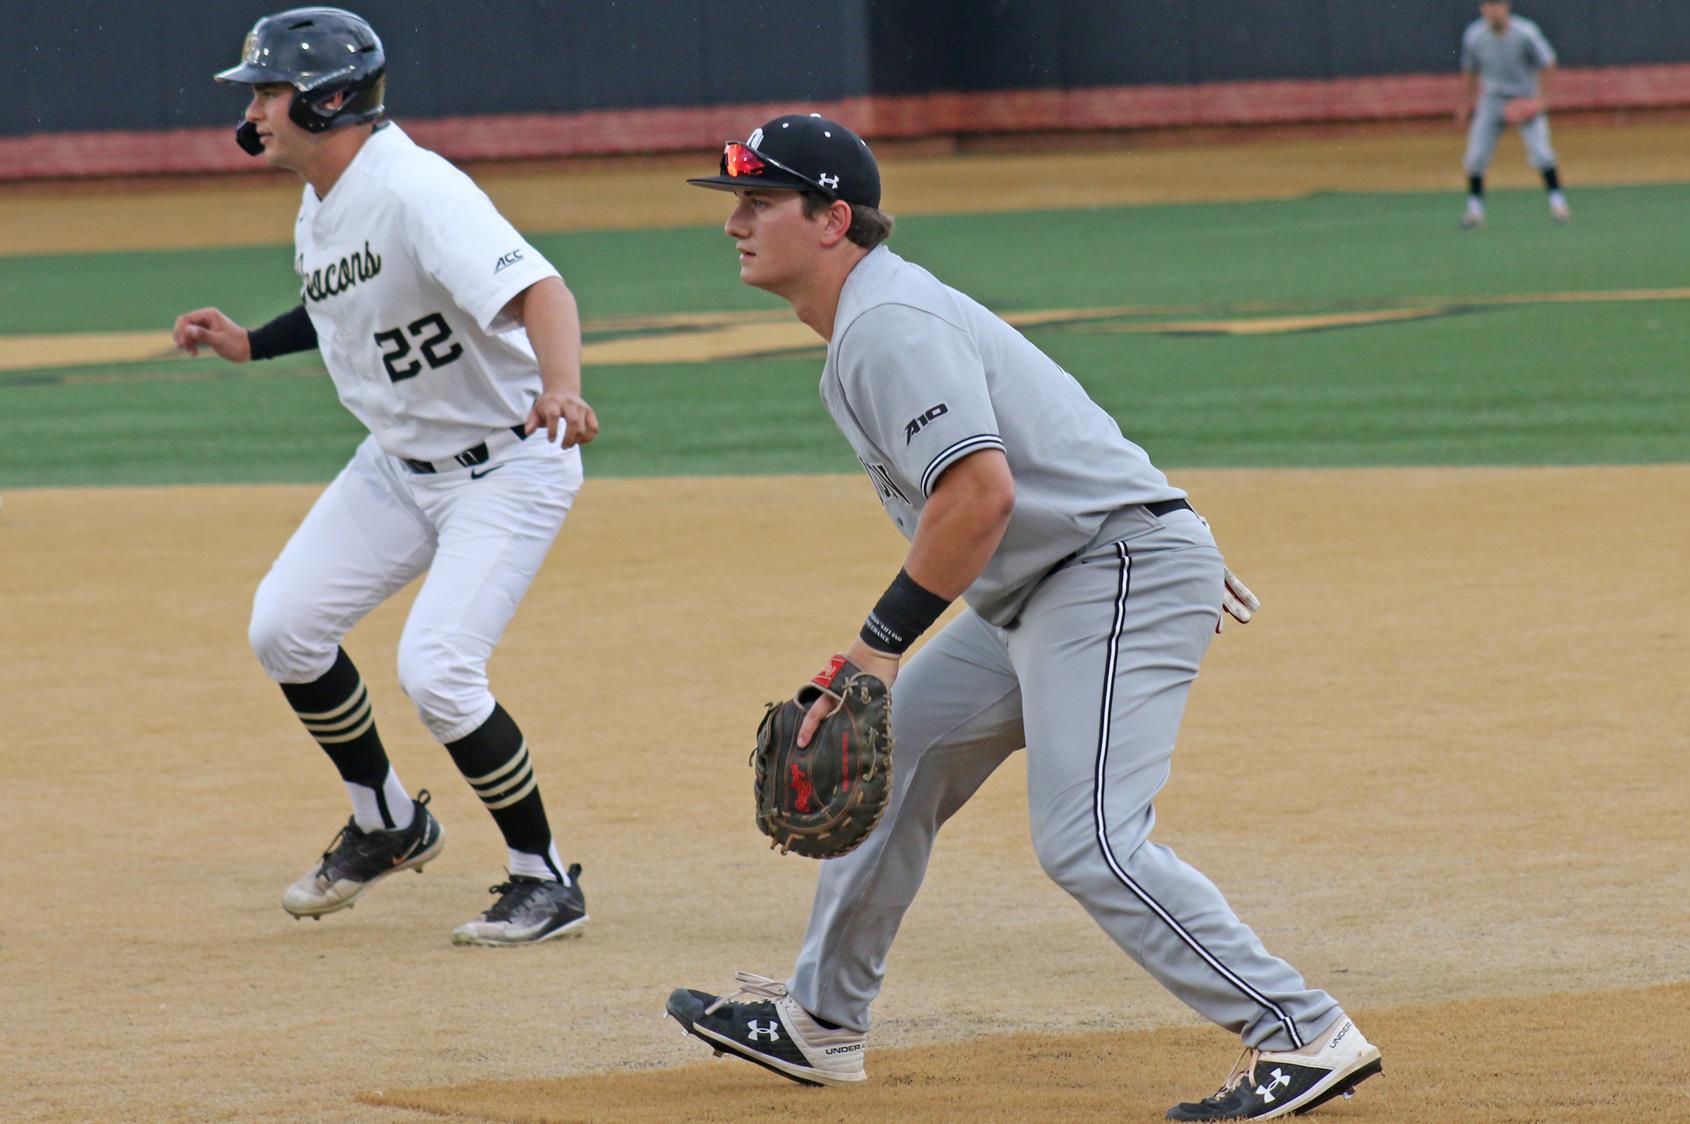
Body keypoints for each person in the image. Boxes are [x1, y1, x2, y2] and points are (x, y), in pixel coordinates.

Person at [663, 114, 1381, 1121]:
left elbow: (979, 495)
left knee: (1087, 835)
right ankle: (819, 1020)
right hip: (1059, 578)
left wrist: (875, 648)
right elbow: (1046, 432)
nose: (732, 221)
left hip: (1097, 569)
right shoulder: (869, 323)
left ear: (831, 219)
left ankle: (1300, 1033)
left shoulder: (887, 325)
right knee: (901, 753)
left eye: (757, 200)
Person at [171, 7, 598, 946]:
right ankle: (390, 822)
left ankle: (544, 876)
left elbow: (543, 290)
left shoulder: (417, 190)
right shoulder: (328, 196)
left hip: (507, 464)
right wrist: (250, 343)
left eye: (269, 92)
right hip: (399, 467)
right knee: (285, 628)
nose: (255, 111)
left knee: (438, 670)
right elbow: (341, 301)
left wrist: (562, 386)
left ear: (327, 103)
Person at [1456, 0, 1570, 227]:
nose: (1493, 10)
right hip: (1491, 100)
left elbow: (1548, 63)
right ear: (1482, 9)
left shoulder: (1525, 33)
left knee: (1542, 153)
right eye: (1487, 5)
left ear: (1507, 7)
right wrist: (1465, 103)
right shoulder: (1475, 35)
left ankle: (1558, 205)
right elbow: (1470, 70)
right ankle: (1474, 211)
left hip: (1523, 99)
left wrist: (1539, 100)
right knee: (1476, 156)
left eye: (1497, 5)